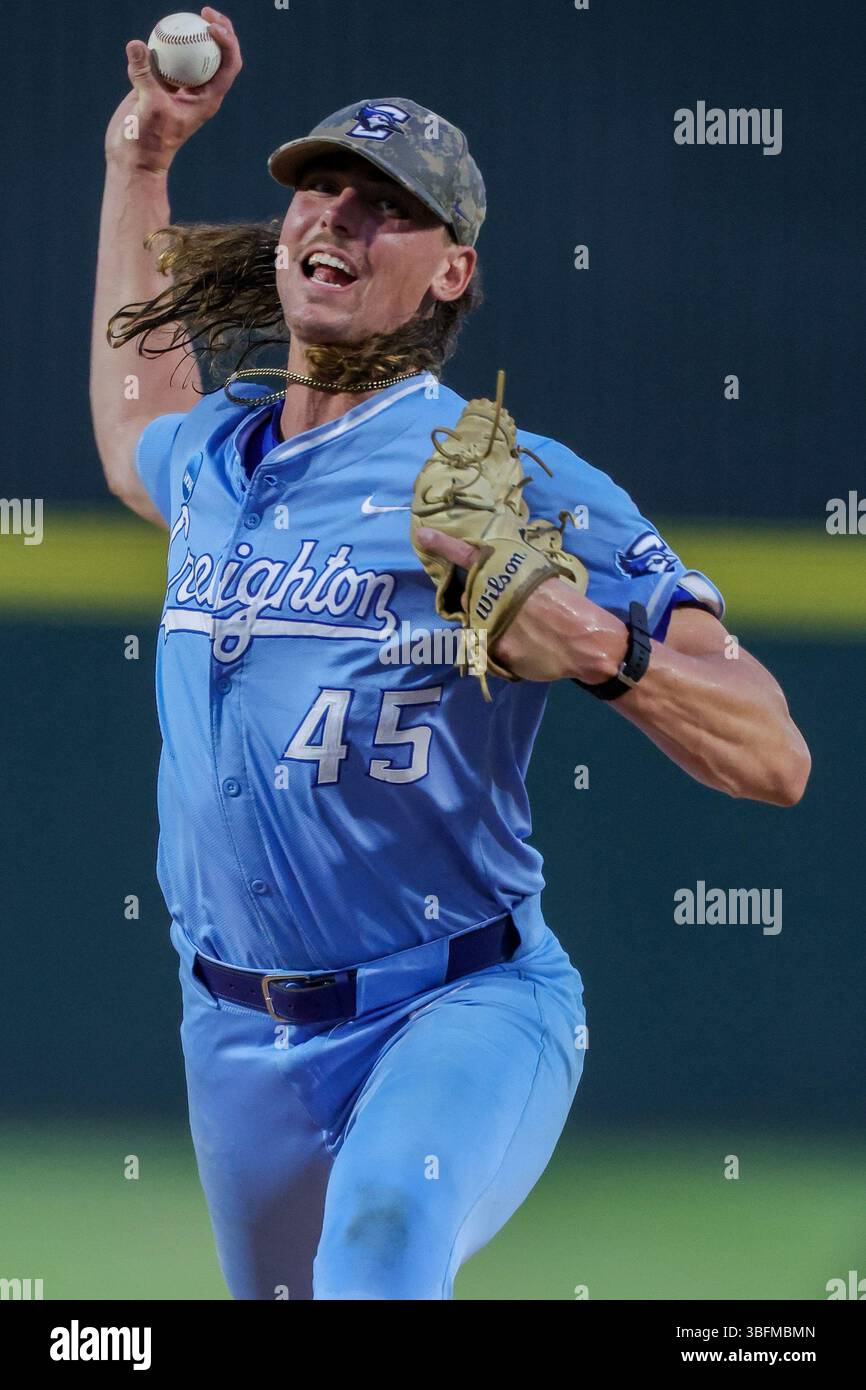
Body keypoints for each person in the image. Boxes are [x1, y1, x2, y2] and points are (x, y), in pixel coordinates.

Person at [90, 10, 811, 1300]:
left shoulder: (506, 478)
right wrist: (139, 164)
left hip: (455, 1006)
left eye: (384, 209)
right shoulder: (217, 461)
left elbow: (774, 752)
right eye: (321, 191)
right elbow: (138, 408)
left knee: (382, 1241)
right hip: (232, 1031)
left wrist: (593, 644)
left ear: (451, 274)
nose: (335, 218)